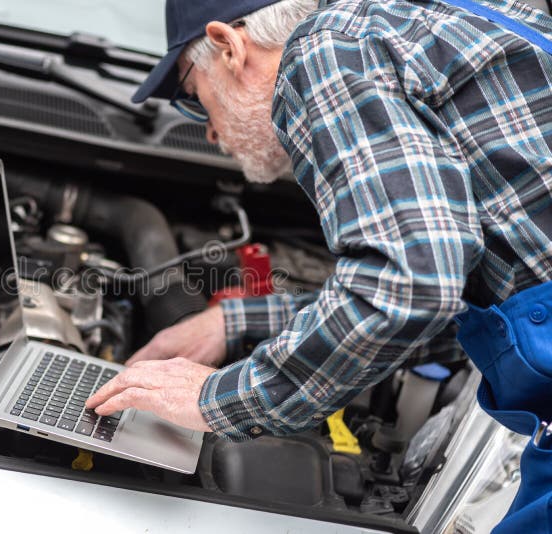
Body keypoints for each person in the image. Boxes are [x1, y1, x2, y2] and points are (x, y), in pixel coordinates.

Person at [86, 0, 552, 529]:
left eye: (195, 100)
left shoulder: (325, 49)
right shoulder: (433, 20)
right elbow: (454, 309)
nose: (211, 134)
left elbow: (408, 287)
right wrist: (235, 324)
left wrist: (216, 398)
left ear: (229, 47)